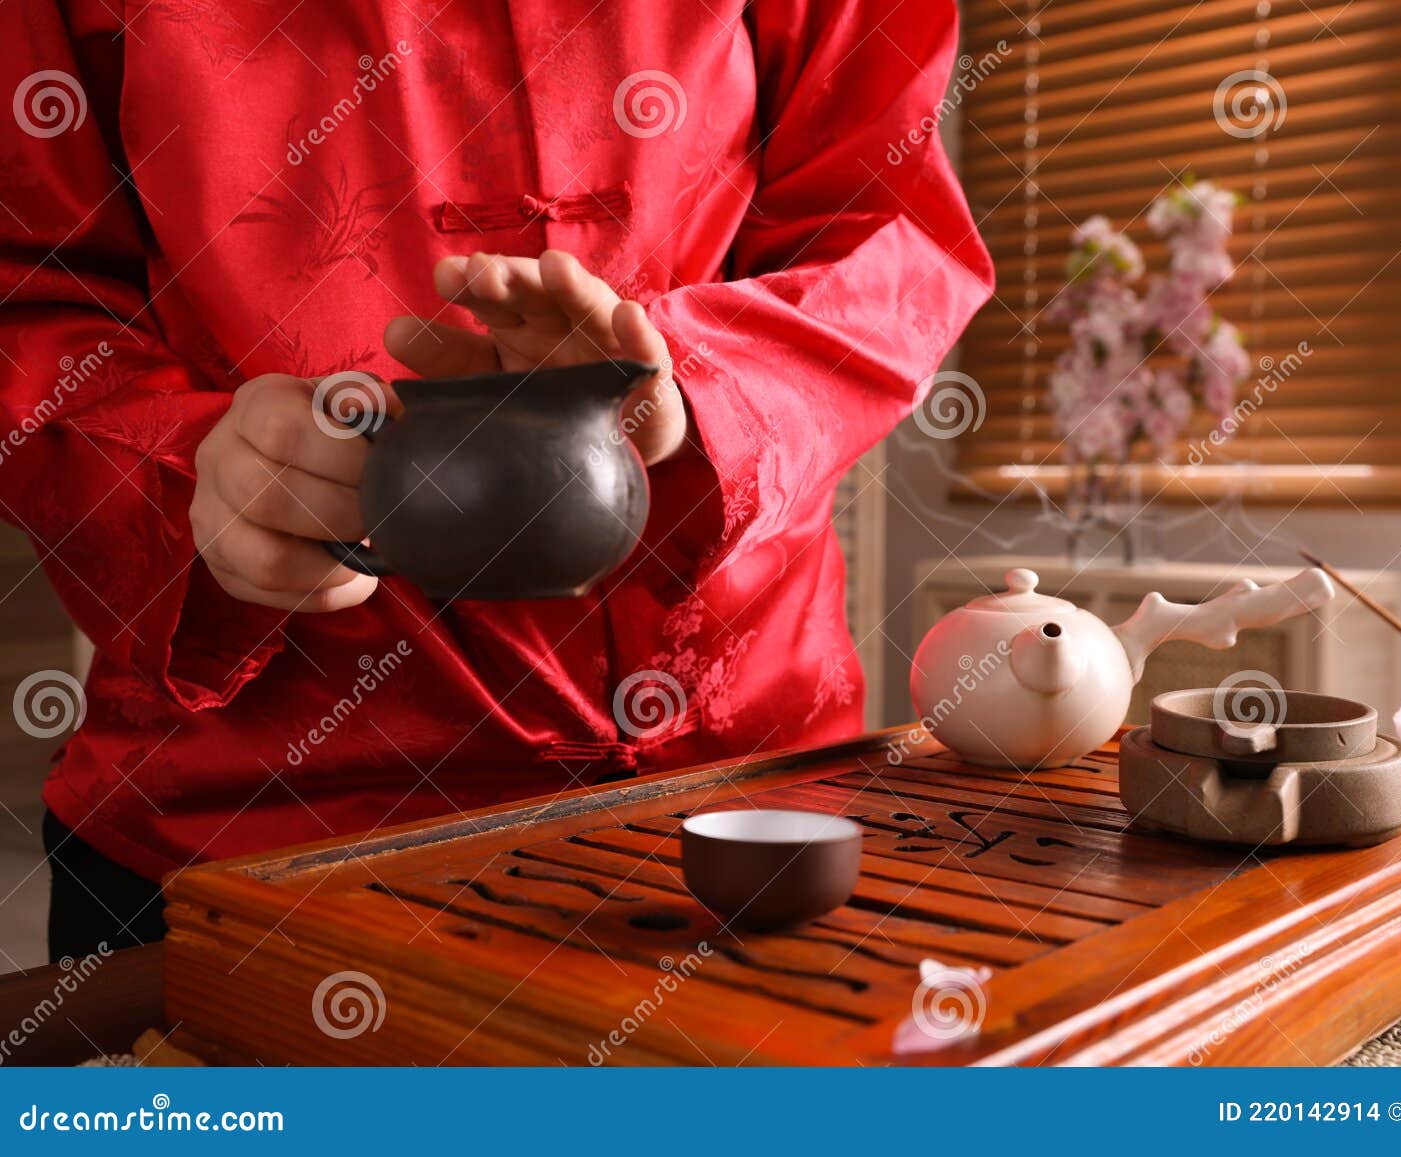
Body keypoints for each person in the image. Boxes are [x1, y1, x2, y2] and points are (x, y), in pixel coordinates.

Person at [0, 0, 993, 959]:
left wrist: (699, 393)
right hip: (250, 812)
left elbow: (888, 233)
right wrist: (190, 475)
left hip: (741, 783)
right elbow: (28, 285)